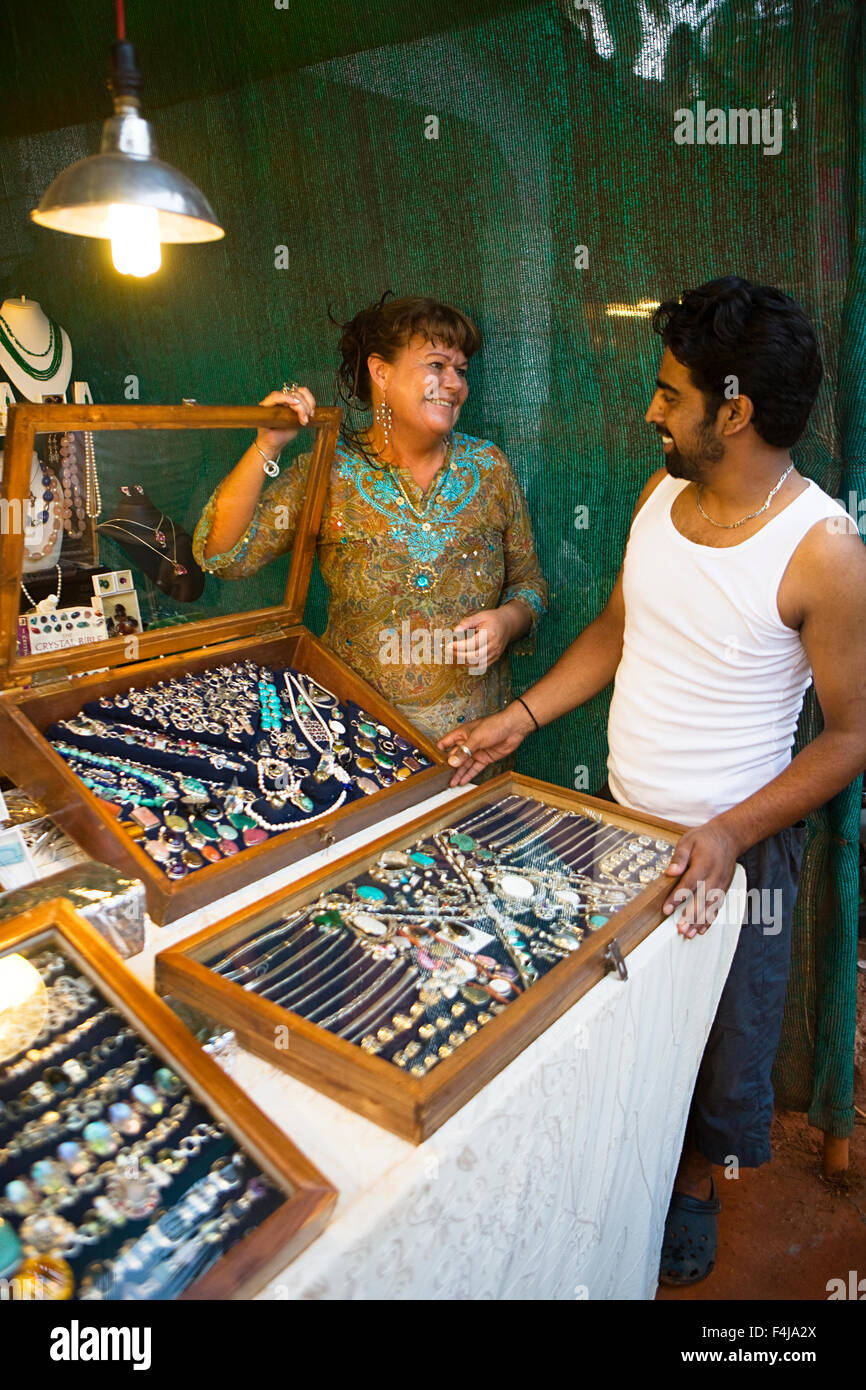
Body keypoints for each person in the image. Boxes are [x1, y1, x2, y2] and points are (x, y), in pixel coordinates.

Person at [439, 276, 866, 1285]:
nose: (649, 411)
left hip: (736, 850)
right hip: (618, 827)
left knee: (722, 1046)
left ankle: (692, 1183)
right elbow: (619, 631)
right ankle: (618, 1164)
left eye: (670, 395)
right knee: (622, 1027)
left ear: (735, 410)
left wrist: (724, 833)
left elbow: (848, 736)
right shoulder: (657, 495)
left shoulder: (824, 552)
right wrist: (520, 715)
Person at [193, 295, 547, 741]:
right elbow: (222, 555)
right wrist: (269, 443)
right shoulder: (330, 469)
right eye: (437, 365)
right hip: (355, 738)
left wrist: (507, 622)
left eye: (461, 371)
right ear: (381, 372)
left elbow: (529, 584)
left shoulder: (489, 467)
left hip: (474, 743)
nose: (453, 383)